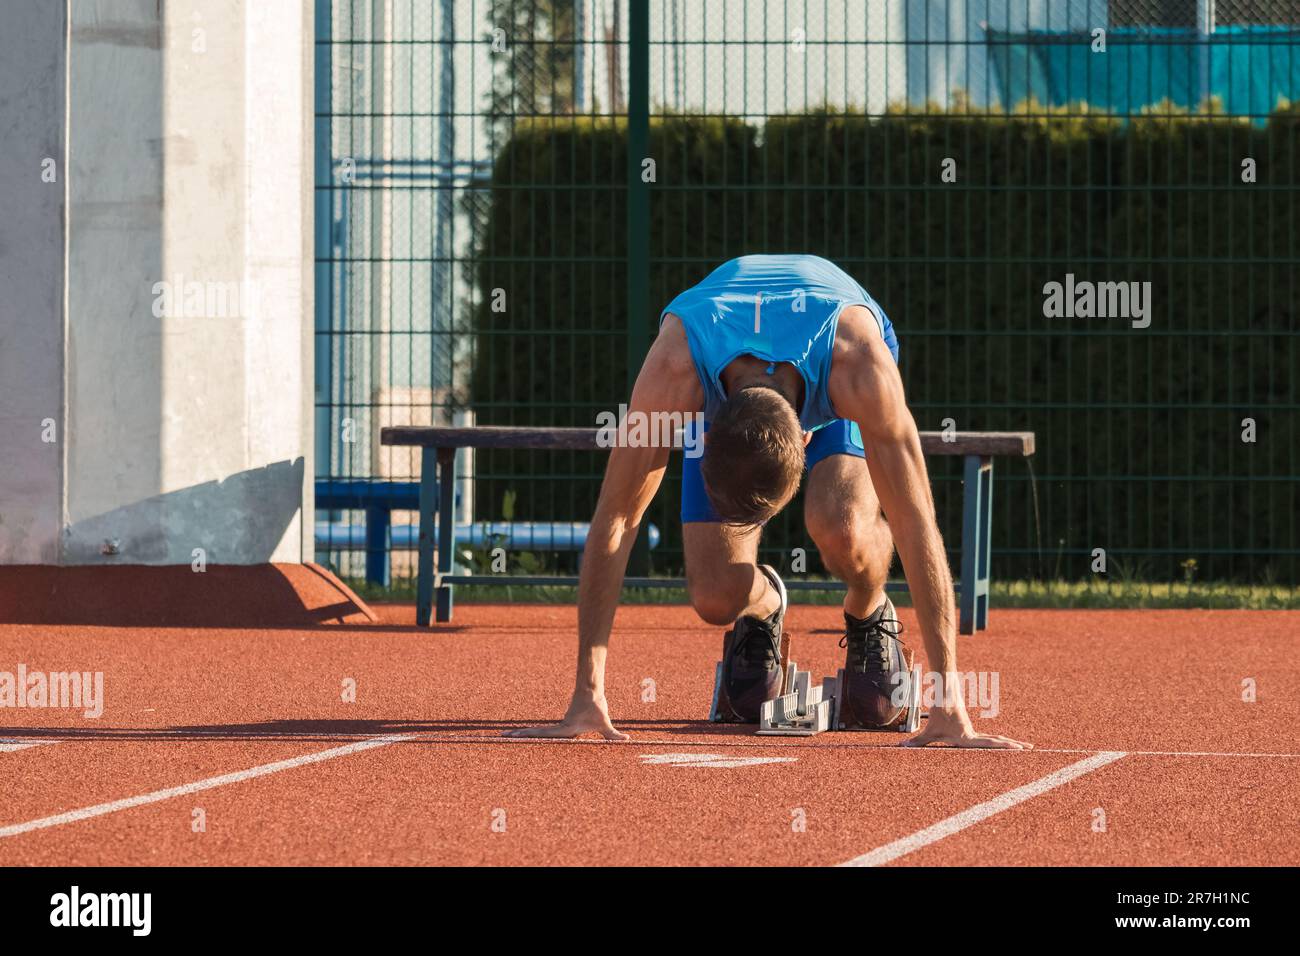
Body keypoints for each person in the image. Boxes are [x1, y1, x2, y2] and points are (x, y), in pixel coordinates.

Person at [506, 254, 1030, 749]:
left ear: (806, 439)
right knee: (714, 595)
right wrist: (586, 694)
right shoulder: (674, 372)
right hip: (730, 368)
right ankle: (766, 603)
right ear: (703, 433)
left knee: (842, 525)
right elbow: (617, 516)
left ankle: (869, 608)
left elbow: (917, 518)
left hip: (829, 351)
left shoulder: (860, 368)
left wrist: (950, 704)